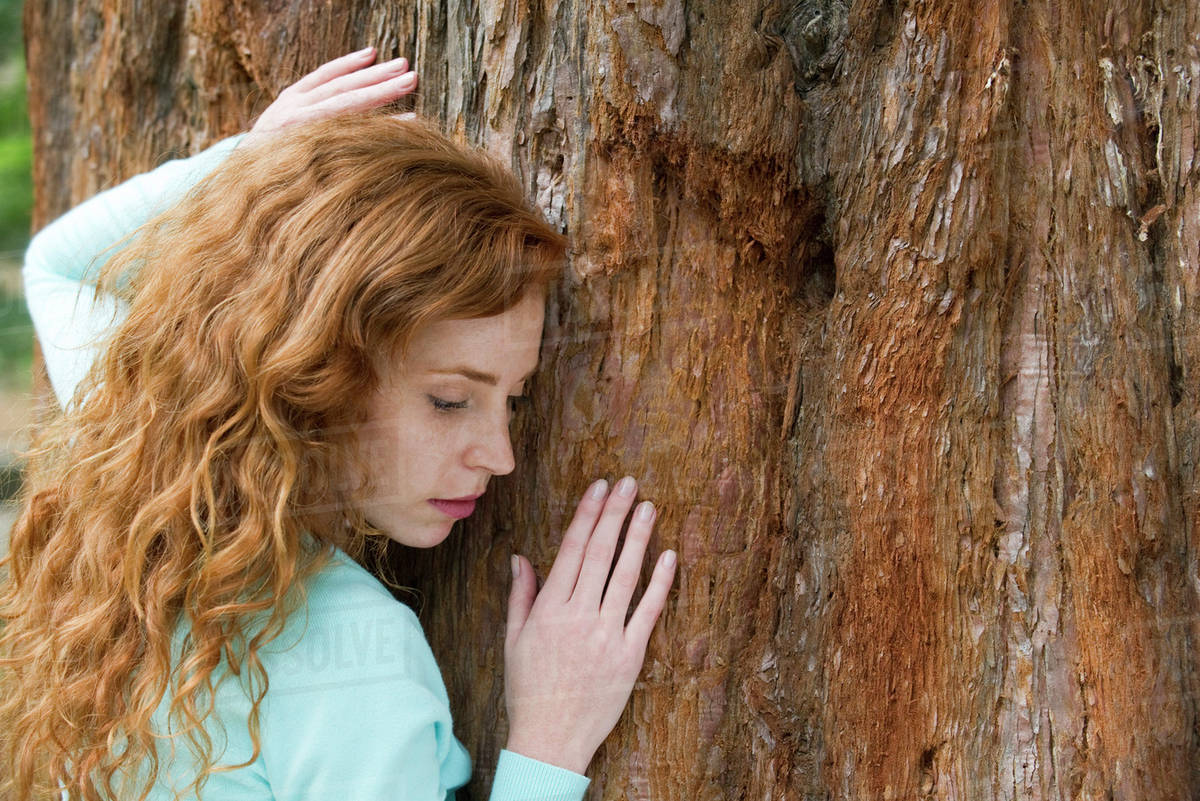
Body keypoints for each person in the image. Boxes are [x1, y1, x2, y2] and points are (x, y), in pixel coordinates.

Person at [1, 48, 677, 801]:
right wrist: (548, 746)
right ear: (314, 372)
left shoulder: (146, 508)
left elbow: (59, 267)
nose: (501, 455)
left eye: (512, 399)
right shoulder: (356, 654)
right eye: (451, 400)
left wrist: (251, 169)